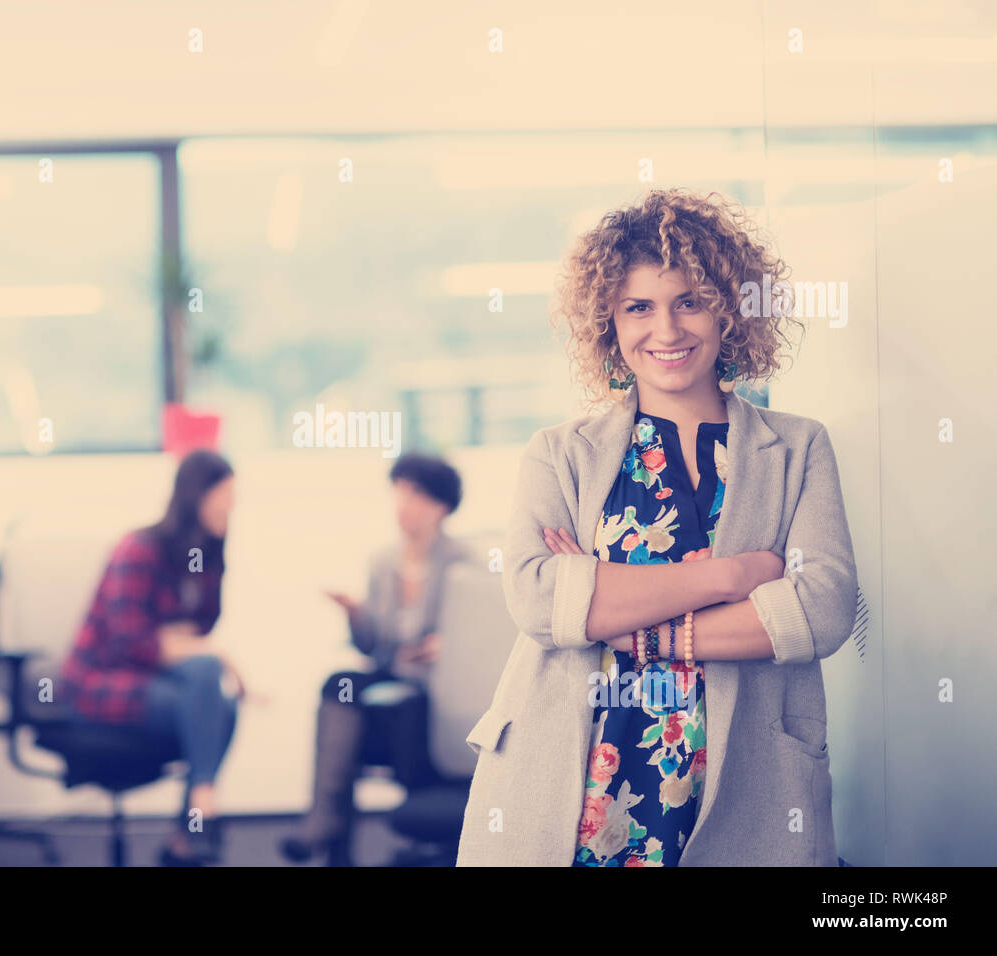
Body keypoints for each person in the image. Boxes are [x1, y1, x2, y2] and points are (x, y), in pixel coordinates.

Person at [457, 187, 859, 866]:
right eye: (638, 307)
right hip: (580, 782)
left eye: (689, 302)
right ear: (607, 323)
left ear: (728, 313)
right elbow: (537, 598)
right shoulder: (559, 454)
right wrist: (732, 577)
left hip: (744, 778)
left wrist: (617, 612)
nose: (666, 331)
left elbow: (819, 610)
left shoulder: (798, 447)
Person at [280, 452, 471, 865]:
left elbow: (479, 638)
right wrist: (354, 614)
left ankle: (329, 824)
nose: (403, 504)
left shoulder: (462, 562)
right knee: (339, 685)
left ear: (440, 505)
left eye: (415, 495)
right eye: (399, 493)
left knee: (390, 706)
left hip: (432, 689)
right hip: (390, 676)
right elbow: (373, 647)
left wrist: (450, 644)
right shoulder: (382, 561)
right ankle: (325, 820)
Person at [61, 449, 243, 866]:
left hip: (157, 684)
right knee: (212, 686)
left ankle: (192, 823)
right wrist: (189, 646)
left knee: (219, 697)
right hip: (98, 685)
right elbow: (131, 642)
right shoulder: (138, 548)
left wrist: (180, 641)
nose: (232, 505)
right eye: (224, 494)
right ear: (197, 495)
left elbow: (202, 626)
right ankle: (198, 816)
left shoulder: (206, 555)